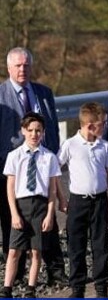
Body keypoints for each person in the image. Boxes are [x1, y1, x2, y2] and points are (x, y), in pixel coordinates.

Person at [1, 47, 61, 284]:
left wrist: (56, 156)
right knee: (11, 220)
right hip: (13, 167)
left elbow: (53, 126)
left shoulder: (43, 93)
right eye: (17, 65)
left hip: (43, 164)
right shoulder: (1, 95)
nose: (22, 69)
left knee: (48, 219)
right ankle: (15, 277)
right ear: (9, 68)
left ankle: (55, 271)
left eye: (26, 65)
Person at [59, 102, 108, 298]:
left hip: (99, 200)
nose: (105, 126)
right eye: (102, 123)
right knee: (76, 244)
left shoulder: (105, 146)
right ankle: (77, 287)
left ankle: (101, 286)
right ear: (90, 125)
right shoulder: (70, 145)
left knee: (100, 245)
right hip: (78, 201)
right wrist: (61, 197)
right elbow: (55, 171)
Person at [1, 114, 60, 298]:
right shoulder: (15, 156)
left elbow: (52, 190)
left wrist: (50, 214)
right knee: (14, 250)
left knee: (36, 251)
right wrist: (14, 213)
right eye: (31, 130)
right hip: (21, 205)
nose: (34, 134)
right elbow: (10, 187)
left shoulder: (49, 157)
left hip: (40, 205)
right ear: (23, 131)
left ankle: (30, 288)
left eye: (38, 131)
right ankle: (7, 287)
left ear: (43, 133)